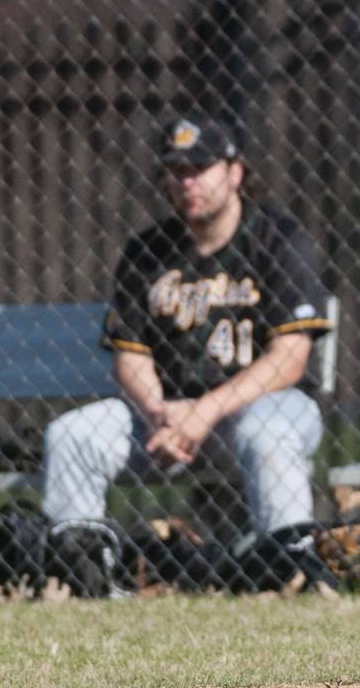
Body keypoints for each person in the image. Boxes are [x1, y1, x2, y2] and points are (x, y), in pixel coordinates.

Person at [40, 114, 332, 572]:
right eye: (176, 171)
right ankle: (82, 577)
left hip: (262, 408)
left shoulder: (279, 240)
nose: (187, 181)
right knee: (70, 437)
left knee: (268, 435)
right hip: (165, 420)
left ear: (235, 172)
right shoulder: (146, 252)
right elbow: (130, 357)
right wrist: (161, 413)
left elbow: (289, 361)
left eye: (200, 168)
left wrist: (204, 411)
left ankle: (288, 571)